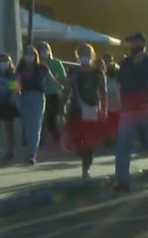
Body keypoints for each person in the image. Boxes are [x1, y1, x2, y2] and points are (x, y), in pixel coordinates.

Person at [114, 33, 148, 191]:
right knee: (123, 146)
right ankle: (122, 181)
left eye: (134, 42)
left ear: (142, 43)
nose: (132, 46)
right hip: (128, 109)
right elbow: (120, 85)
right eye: (131, 43)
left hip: (147, 108)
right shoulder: (125, 64)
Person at [16, 44, 64, 164]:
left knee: (35, 124)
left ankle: (32, 154)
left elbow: (51, 79)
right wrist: (15, 91)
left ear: (35, 55)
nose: (29, 56)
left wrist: (60, 86)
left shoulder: (42, 67)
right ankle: (30, 149)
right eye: (26, 53)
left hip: (37, 96)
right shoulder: (20, 68)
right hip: (24, 97)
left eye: (31, 53)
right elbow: (15, 82)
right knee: (27, 124)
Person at [66, 44, 108, 179]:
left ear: (92, 55)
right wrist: (62, 106)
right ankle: (82, 154)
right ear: (78, 55)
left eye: (87, 53)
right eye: (82, 53)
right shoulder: (73, 71)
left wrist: (104, 109)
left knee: (90, 139)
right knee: (75, 137)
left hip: (92, 107)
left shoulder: (97, 72)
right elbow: (67, 89)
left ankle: (86, 166)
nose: (85, 56)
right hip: (76, 108)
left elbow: (103, 91)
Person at [36, 42, 67, 150]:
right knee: (40, 120)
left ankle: (58, 140)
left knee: (52, 120)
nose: (44, 52)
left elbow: (63, 79)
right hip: (40, 94)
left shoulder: (56, 63)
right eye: (41, 49)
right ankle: (39, 142)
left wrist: (56, 82)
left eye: (46, 49)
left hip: (54, 94)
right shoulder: (37, 64)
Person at [0, 54, 17, 161]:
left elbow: (15, 88)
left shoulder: (12, 74)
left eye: (5, 61)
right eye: (1, 61)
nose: (3, 63)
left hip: (7, 104)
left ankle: (10, 150)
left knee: (9, 127)